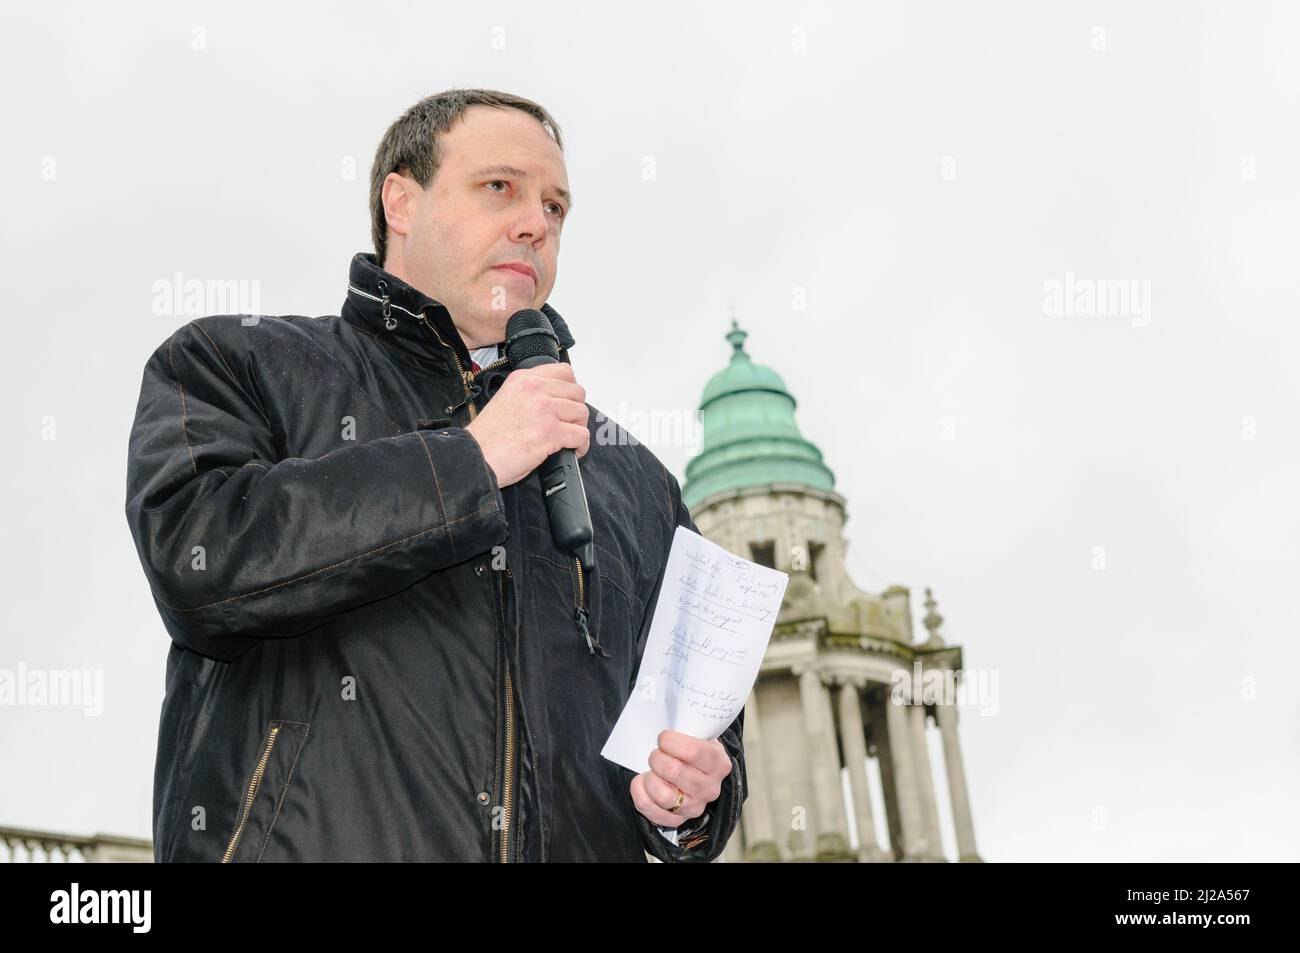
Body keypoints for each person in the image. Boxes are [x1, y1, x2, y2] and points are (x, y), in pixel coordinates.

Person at [123, 88, 746, 862]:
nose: (536, 223)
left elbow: (705, 727)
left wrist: (690, 803)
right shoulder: (237, 362)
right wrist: (473, 459)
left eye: (556, 207)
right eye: (501, 188)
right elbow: (201, 562)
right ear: (401, 201)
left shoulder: (636, 478)